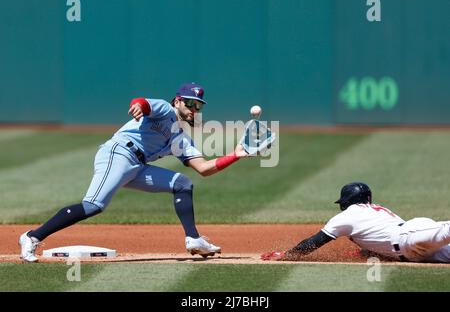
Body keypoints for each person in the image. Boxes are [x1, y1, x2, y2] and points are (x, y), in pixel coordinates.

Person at [19, 82, 249, 262]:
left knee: (182, 183)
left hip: (137, 167)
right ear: (178, 101)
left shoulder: (180, 138)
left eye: (198, 105)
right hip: (118, 154)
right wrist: (138, 105)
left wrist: (236, 155)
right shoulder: (164, 109)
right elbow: (142, 102)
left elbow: (204, 168)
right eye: (190, 103)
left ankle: (193, 239)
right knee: (93, 206)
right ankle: (32, 237)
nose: (194, 109)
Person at [261, 182, 450, 263]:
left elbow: (315, 242)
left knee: (445, 232)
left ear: (347, 200)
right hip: (416, 249)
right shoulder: (373, 210)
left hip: (408, 238)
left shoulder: (348, 215)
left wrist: (288, 254)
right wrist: (364, 251)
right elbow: (377, 237)